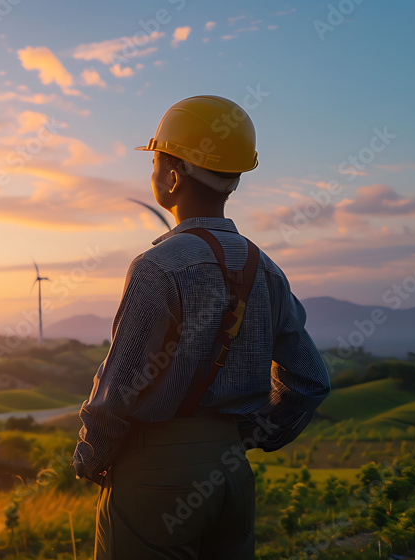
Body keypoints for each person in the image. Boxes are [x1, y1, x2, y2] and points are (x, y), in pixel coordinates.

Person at [71, 95, 331, 559]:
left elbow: (118, 389)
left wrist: (91, 458)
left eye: (155, 161)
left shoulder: (157, 267)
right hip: (231, 473)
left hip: (154, 475)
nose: (152, 172)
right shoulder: (265, 268)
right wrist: (250, 436)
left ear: (174, 175)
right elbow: (310, 381)